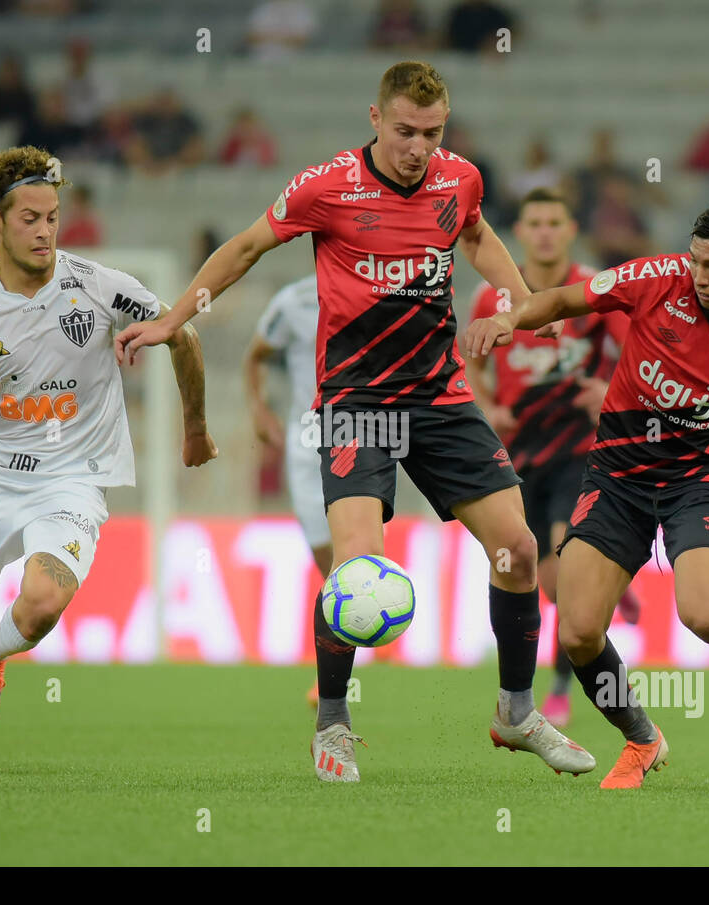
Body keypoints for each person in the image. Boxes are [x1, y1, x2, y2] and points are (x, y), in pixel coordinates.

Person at [117, 60, 595, 783]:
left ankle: (516, 712)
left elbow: (476, 237)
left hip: (439, 398)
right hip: (358, 403)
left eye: (432, 133)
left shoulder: (458, 179)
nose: (419, 148)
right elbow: (245, 247)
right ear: (375, 120)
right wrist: (170, 320)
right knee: (356, 571)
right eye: (405, 131)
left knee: (520, 551)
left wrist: (521, 302)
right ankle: (333, 721)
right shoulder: (326, 187)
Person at [466, 201, 709, 788]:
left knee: (701, 611)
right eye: (696, 261)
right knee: (575, 632)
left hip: (703, 478)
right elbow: (564, 300)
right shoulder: (656, 278)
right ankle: (642, 739)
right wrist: (512, 317)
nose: (699, 276)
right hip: (618, 473)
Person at [0, 146, 217, 773]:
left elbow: (184, 333)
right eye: (30, 218)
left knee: (40, 602)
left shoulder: (98, 286)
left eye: (53, 217)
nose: (44, 231)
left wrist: (194, 428)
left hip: (74, 479)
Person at [467, 187, 640, 727]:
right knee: (542, 578)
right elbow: (469, 360)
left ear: (570, 230)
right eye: (534, 221)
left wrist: (608, 387)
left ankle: (562, 689)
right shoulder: (492, 296)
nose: (544, 230)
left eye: (554, 221)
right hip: (519, 453)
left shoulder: (589, 291)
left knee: (565, 566)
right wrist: (488, 404)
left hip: (579, 450)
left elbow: (639, 349)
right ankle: (612, 593)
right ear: (518, 231)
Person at [242, 274, 333, 708]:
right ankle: (339, 666)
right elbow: (256, 356)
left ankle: (332, 679)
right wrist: (259, 408)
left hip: (365, 436)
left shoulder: (376, 286)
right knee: (330, 565)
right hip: (307, 446)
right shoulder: (293, 300)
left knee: (349, 560)